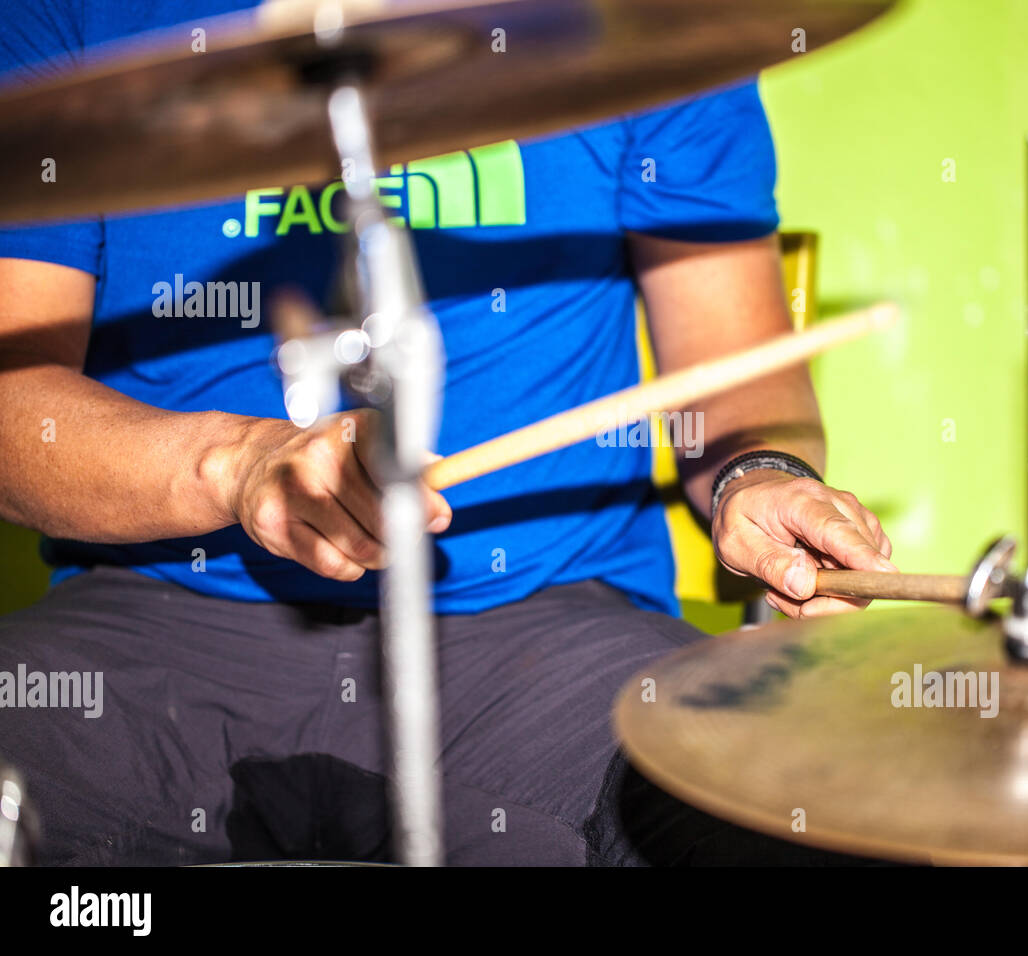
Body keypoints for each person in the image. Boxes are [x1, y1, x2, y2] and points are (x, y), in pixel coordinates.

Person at [0, 0, 895, 865]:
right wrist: (239, 465)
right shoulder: (68, 12)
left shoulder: (654, 17)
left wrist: (760, 477)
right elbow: (15, 417)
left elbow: (738, 375)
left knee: (782, 817)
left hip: (548, 630)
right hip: (148, 622)